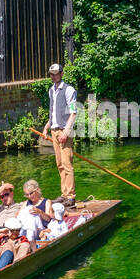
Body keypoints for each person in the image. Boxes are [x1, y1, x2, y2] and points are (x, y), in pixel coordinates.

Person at [43, 63, 77, 206]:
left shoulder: (69, 90)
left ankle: (70, 196)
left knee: (67, 164)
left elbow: (73, 113)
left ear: (62, 74)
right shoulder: (51, 90)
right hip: (54, 130)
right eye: (51, 74)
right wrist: (46, 128)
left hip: (64, 131)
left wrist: (66, 132)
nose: (53, 76)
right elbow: (53, 113)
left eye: (56, 73)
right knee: (59, 164)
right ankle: (64, 194)